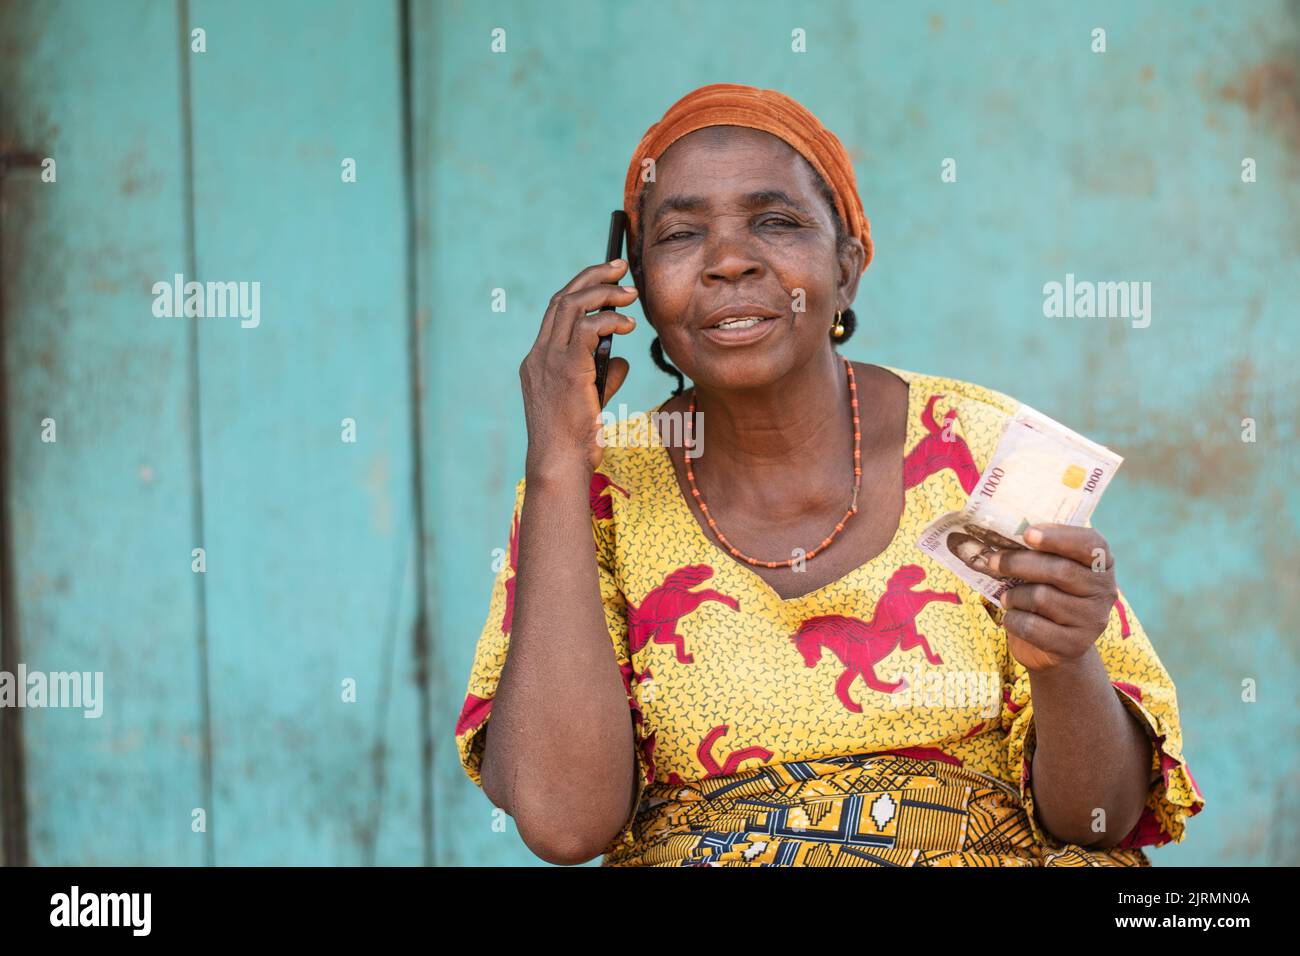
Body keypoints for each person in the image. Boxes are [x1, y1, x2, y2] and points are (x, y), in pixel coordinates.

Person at [454, 83, 1204, 867]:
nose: (730, 261)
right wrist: (555, 457)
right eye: (679, 236)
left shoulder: (982, 449)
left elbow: (1097, 818)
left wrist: (1067, 662)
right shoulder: (592, 491)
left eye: (776, 222)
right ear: (631, 282)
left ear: (847, 266)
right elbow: (565, 825)